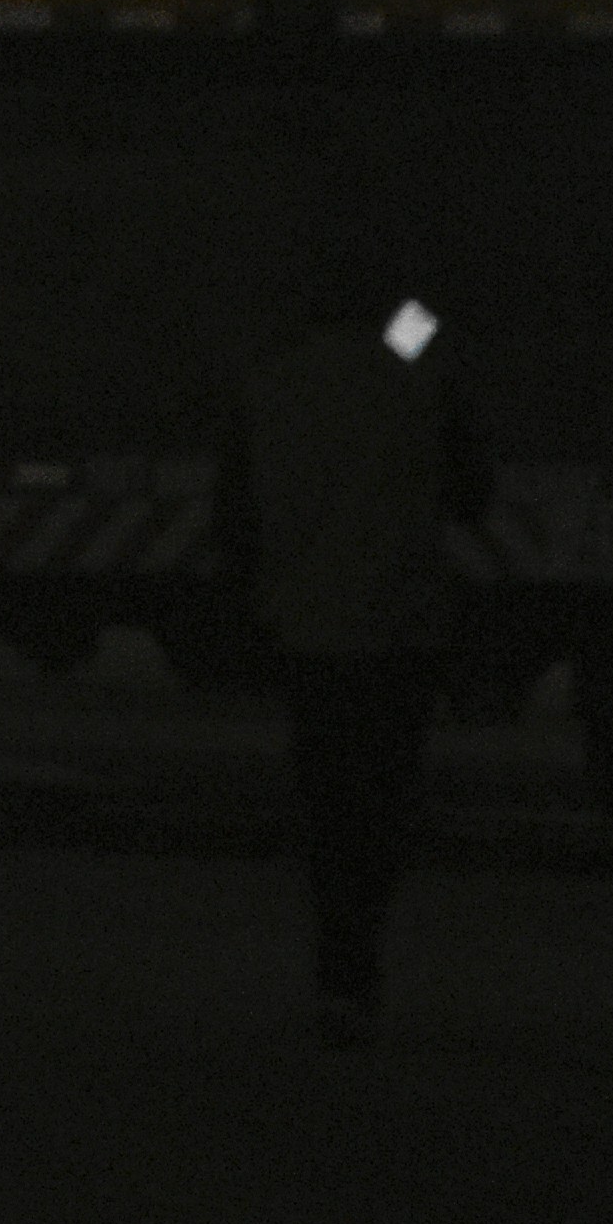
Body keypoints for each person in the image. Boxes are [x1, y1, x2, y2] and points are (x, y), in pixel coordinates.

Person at [226, 244, 490, 1044]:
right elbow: (471, 491)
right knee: (382, 804)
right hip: (398, 625)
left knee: (329, 800)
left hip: (310, 626)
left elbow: (235, 513)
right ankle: (356, 961)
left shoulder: (273, 383)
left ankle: (339, 969)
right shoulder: (413, 375)